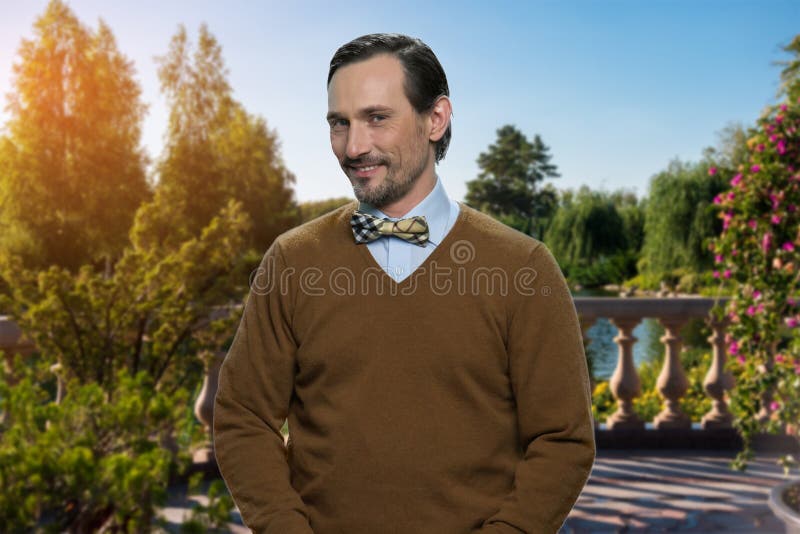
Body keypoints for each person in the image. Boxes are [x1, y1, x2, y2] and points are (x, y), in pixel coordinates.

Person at [213, 33, 595, 534]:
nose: (354, 146)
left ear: (435, 119)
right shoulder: (292, 261)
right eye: (339, 123)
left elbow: (563, 440)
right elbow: (243, 418)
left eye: (377, 118)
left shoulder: (523, 267)